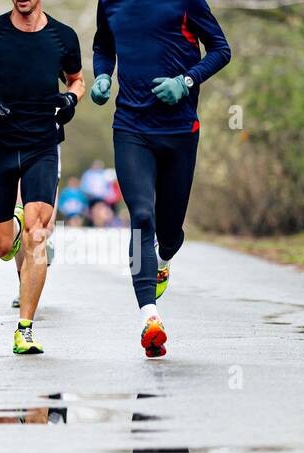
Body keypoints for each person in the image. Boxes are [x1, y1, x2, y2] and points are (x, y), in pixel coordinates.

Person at [91, 0, 230, 358]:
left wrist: (186, 81)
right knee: (141, 215)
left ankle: (164, 259)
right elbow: (103, 45)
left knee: (169, 234)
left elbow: (221, 49)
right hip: (130, 127)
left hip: (180, 131)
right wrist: (103, 75)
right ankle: (149, 318)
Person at [0, 0, 85, 355]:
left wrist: (71, 98)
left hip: (42, 144)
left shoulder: (63, 37)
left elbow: (77, 81)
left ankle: (24, 329)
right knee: (0, 247)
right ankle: (17, 220)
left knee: (37, 233)